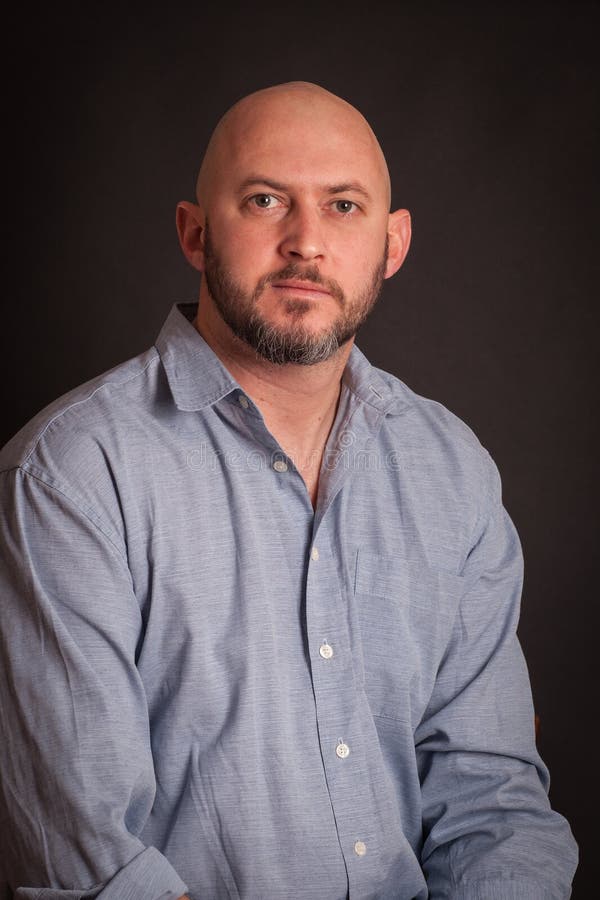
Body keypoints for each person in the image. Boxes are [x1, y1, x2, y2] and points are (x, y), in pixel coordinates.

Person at [0, 81, 577, 899]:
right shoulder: (71, 478)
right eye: (266, 200)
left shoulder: (452, 470)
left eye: (344, 206)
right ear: (195, 234)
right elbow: (93, 856)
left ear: (392, 242)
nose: (307, 242)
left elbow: (492, 801)